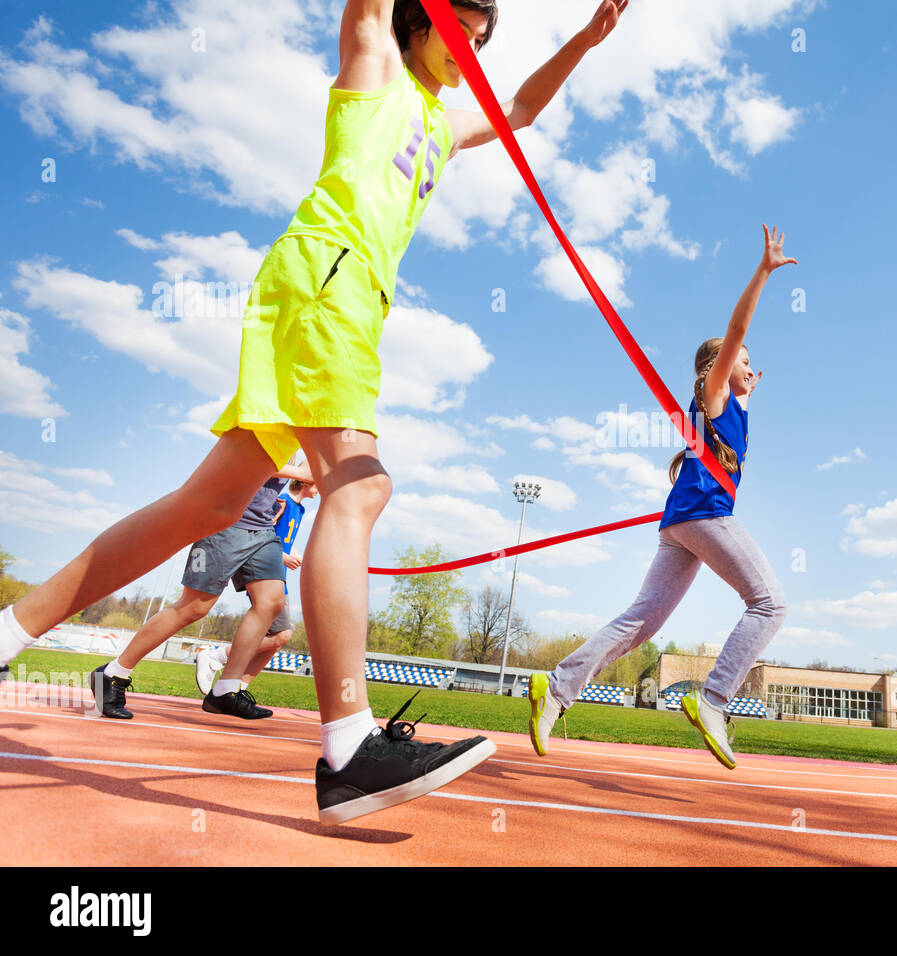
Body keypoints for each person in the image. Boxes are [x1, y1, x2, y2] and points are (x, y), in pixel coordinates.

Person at [0, 0, 628, 825]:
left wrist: (582, 42)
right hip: (328, 277)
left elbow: (515, 113)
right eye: (460, 30)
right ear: (418, 22)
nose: (470, 49)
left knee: (209, 504)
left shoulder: (440, 121)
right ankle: (349, 747)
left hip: (337, 297)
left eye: (482, 41)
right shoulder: (375, 70)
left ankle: (10, 633)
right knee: (359, 490)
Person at [528, 224, 795, 769]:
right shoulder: (716, 392)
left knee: (641, 622)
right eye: (744, 360)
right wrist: (763, 272)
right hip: (704, 516)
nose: (750, 366)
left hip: (681, 527)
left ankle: (555, 687)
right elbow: (736, 328)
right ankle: (714, 699)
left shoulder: (729, 408)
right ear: (718, 367)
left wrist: (749, 388)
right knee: (769, 603)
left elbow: (737, 388)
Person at [89, 470, 311, 721]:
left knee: (272, 601)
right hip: (227, 522)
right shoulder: (279, 437)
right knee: (194, 607)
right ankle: (112, 674)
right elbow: (263, 461)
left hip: (262, 531)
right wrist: (310, 470)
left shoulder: (297, 443)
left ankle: (225, 690)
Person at [194, 478, 318, 698]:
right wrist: (283, 556)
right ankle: (217, 657)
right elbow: (256, 535)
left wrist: (293, 553)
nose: (321, 488)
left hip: (278, 575)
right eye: (319, 481)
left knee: (276, 641)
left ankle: (238, 688)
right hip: (265, 573)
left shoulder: (299, 509)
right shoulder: (281, 503)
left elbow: (280, 538)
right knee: (282, 635)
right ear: (306, 482)